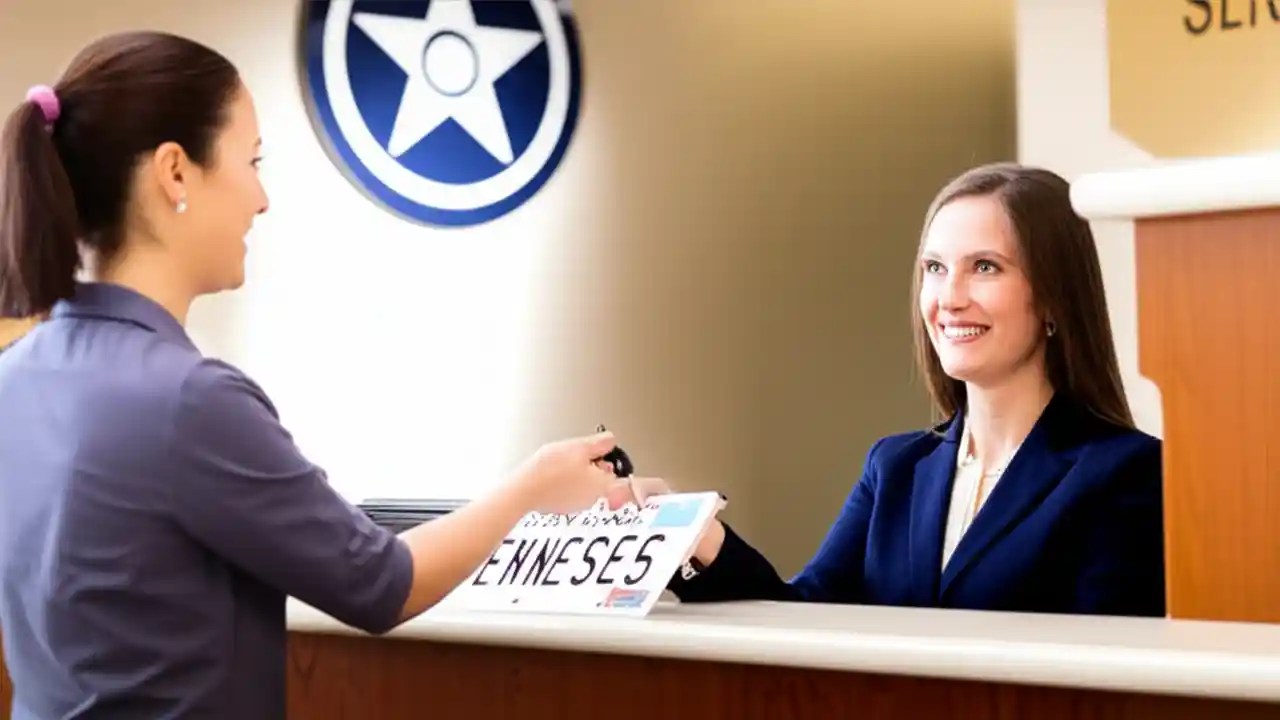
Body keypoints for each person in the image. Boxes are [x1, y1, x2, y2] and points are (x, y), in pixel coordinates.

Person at [0, 32, 648, 719]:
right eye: (251, 161)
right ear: (175, 172)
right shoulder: (190, 401)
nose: (261, 199)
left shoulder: (16, 377)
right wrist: (537, 487)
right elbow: (380, 583)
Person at [647, 163, 1165, 617]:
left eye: (984, 267)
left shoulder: (1126, 473)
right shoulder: (894, 467)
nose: (949, 297)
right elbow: (805, 617)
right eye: (935, 269)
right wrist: (697, 537)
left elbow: (1111, 682)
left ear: (1055, 296)